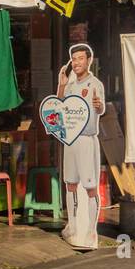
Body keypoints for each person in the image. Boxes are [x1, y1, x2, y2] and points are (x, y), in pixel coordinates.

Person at [57, 43, 104, 245]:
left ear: (88, 60)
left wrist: (99, 106)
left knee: (90, 186)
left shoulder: (95, 84)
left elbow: (100, 107)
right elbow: (58, 106)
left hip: (87, 139)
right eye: (74, 59)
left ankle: (92, 230)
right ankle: (73, 224)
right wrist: (61, 84)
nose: (76, 62)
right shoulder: (70, 85)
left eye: (80, 58)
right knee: (70, 183)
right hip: (70, 139)